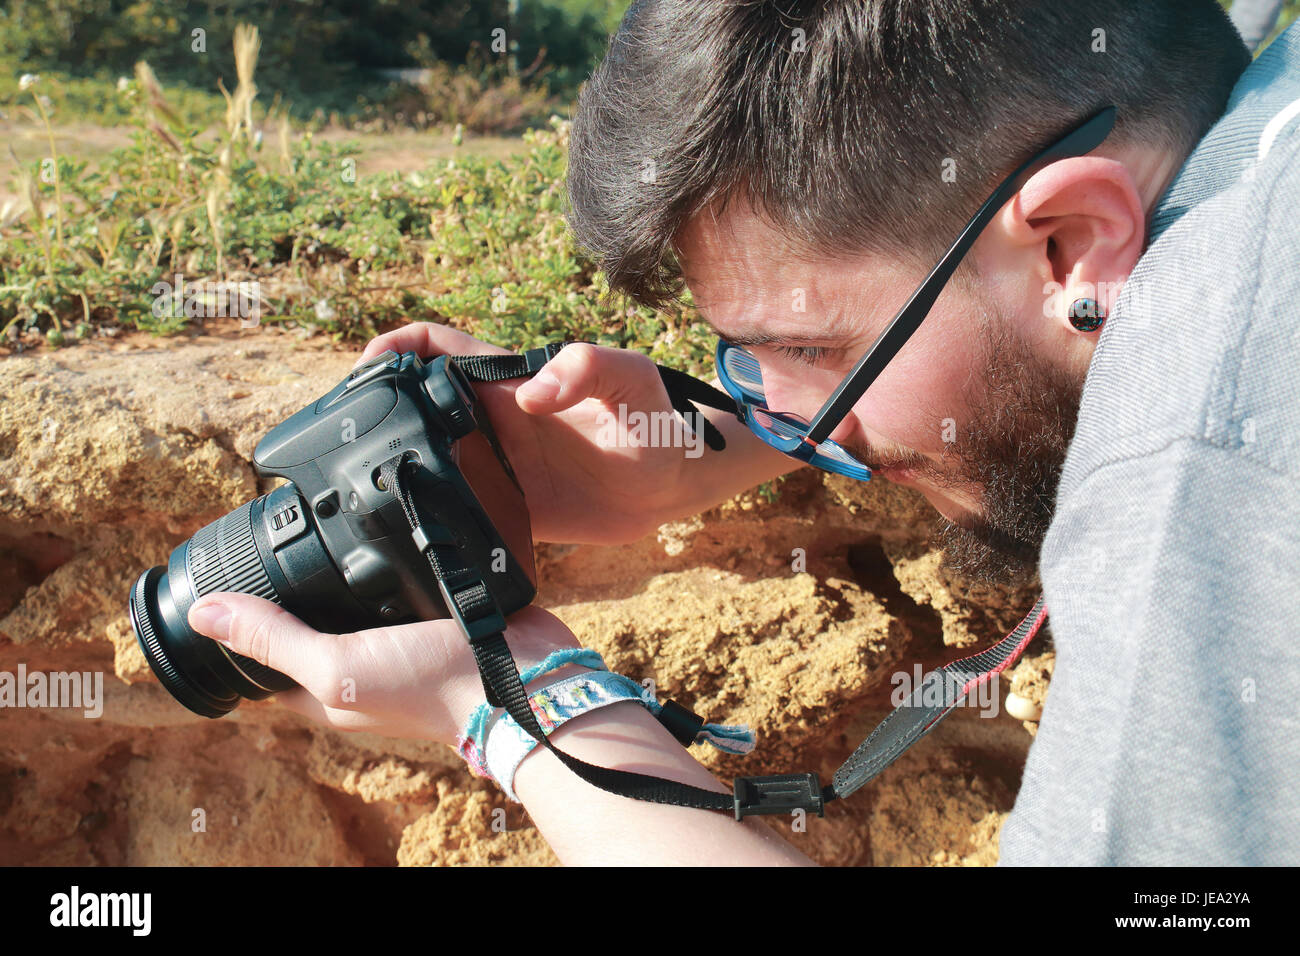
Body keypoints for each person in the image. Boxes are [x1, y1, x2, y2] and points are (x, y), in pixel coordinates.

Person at [187, 1, 1300, 865]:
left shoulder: (1209, 471)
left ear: (1067, 243)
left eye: (812, 351)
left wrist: (513, 700)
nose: (782, 408)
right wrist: (705, 446)